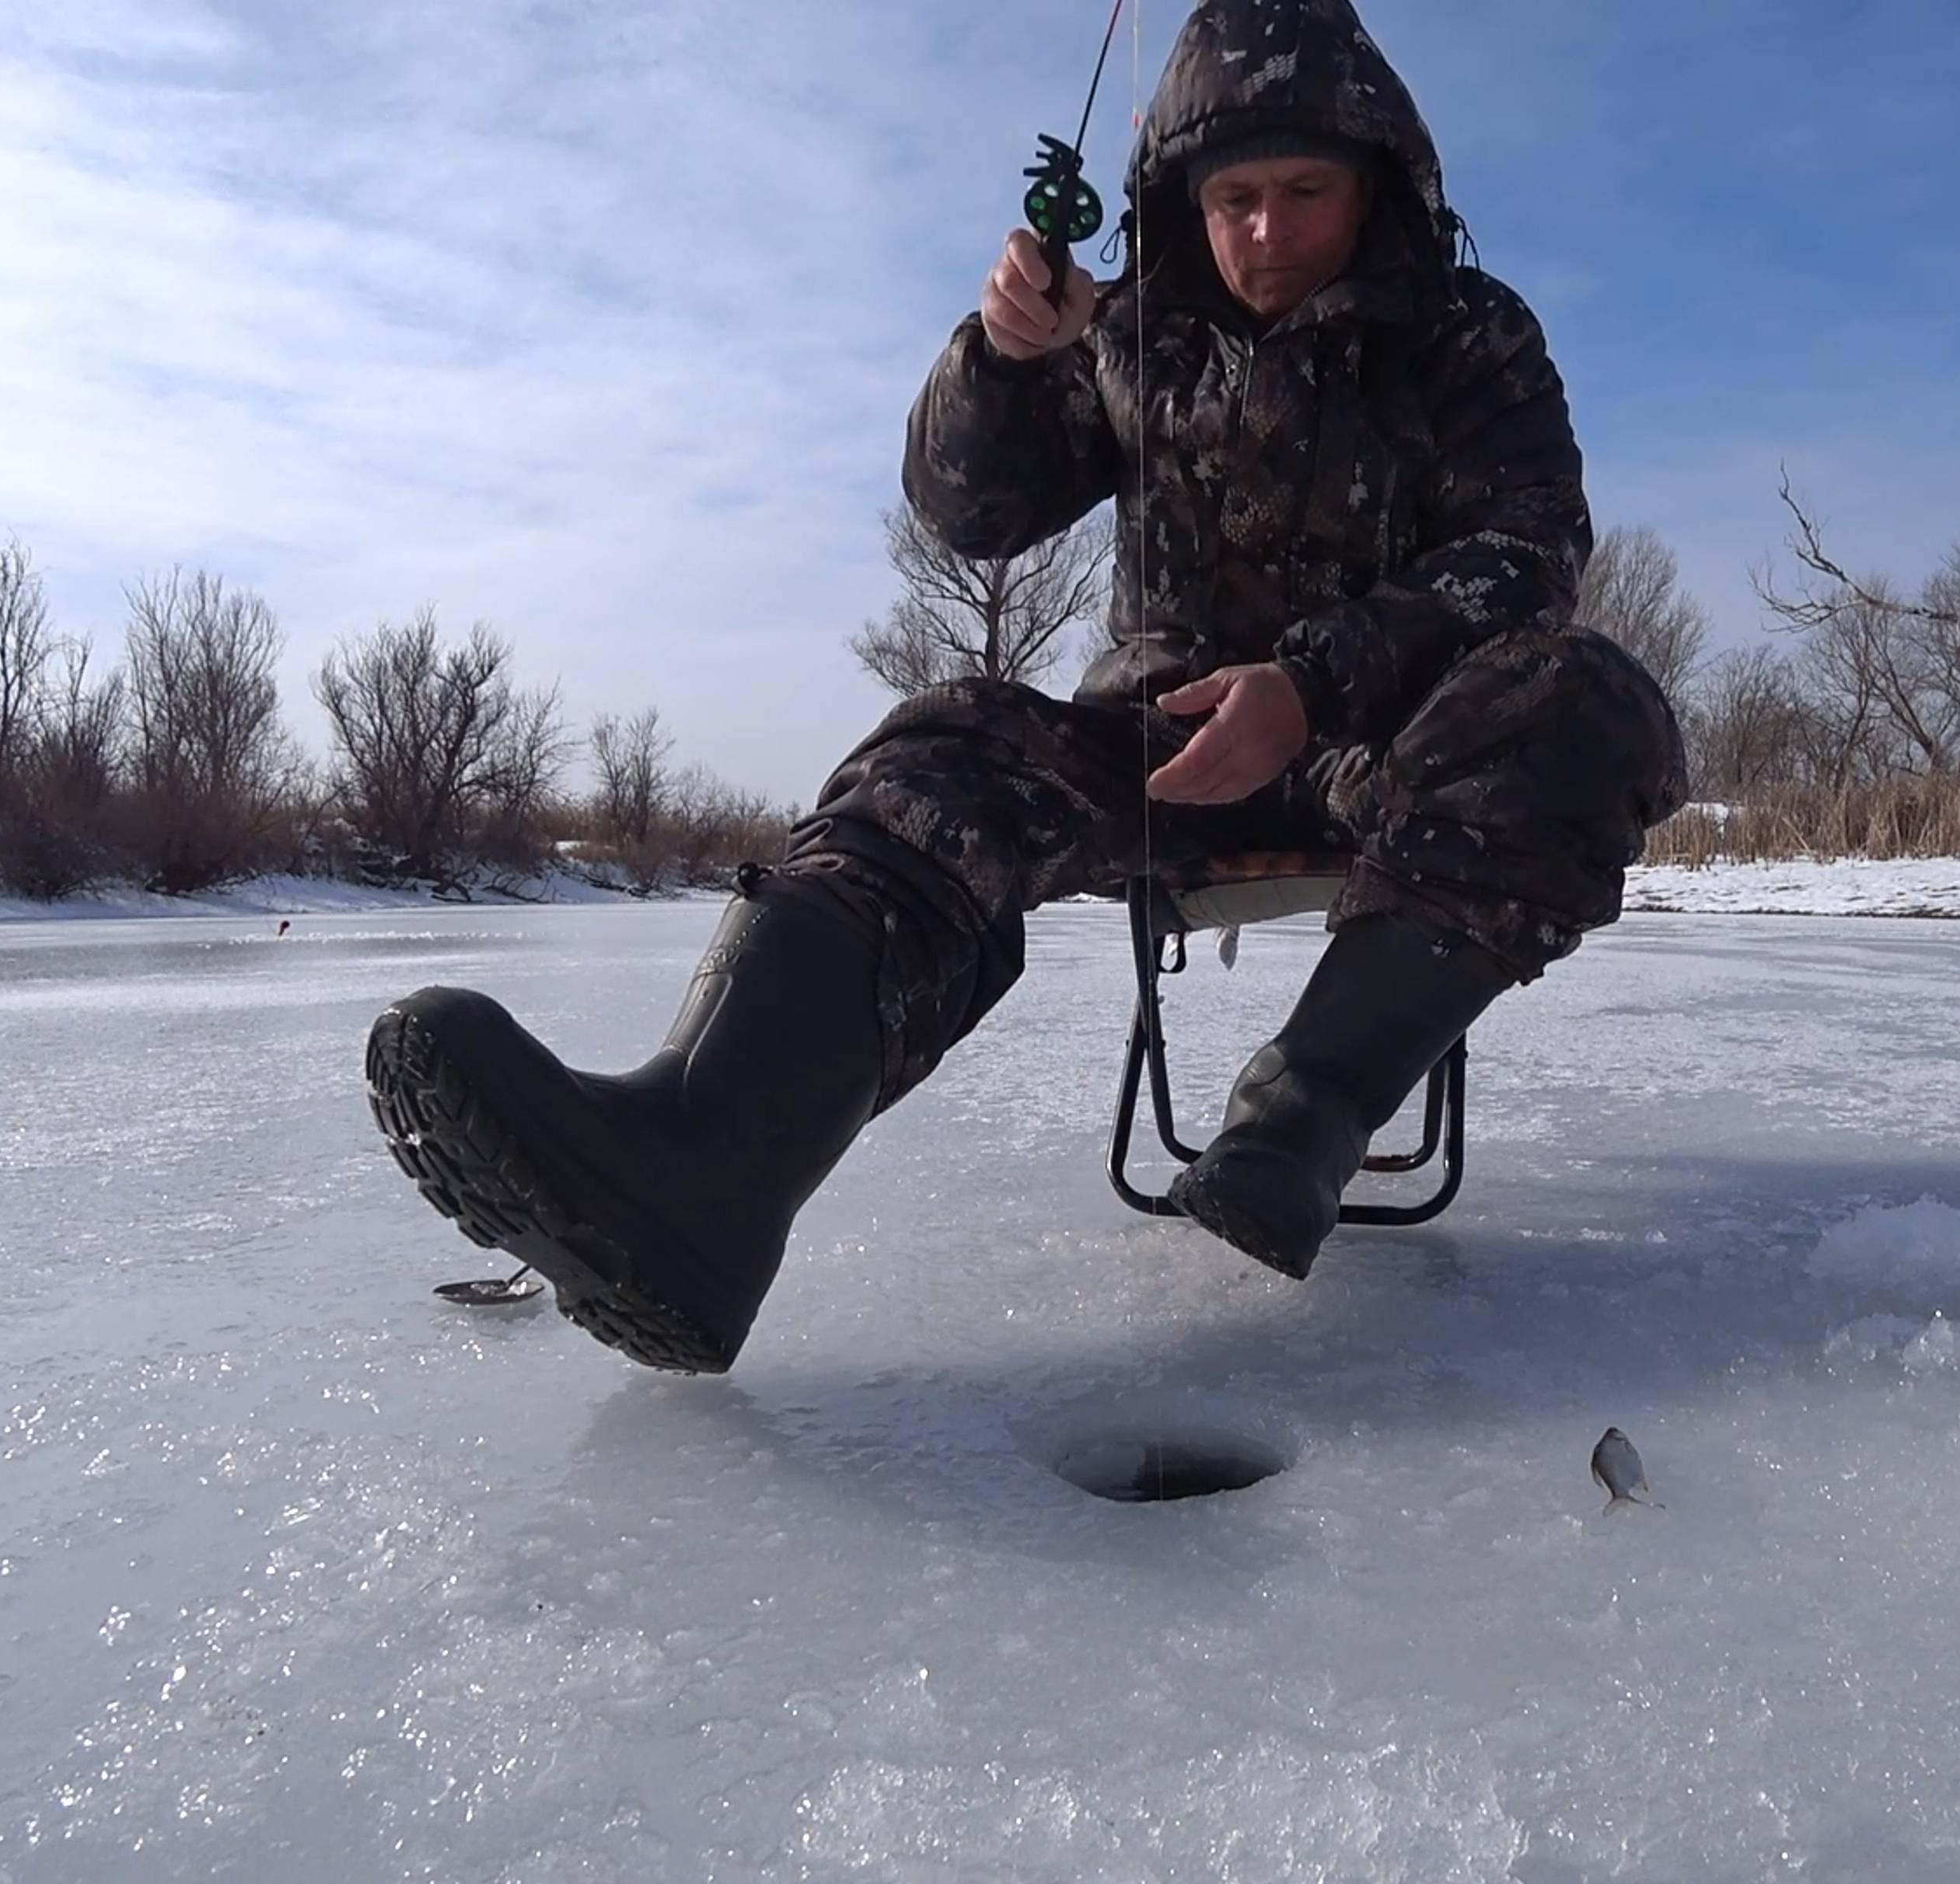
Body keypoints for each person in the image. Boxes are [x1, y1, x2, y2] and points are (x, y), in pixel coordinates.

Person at [364, 0, 1686, 1375]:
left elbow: (1529, 556)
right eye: (1235, 198)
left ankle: (1304, 1115)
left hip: (1398, 749)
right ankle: (701, 1167)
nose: (1268, 233)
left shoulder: (1472, 337)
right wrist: (1002, 357)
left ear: (1378, 181)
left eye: (1306, 192)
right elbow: (965, 511)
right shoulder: (1137, 336)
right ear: (1183, 198)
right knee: (939, 750)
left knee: (1589, 701)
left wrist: (1309, 682)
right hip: (1161, 746)